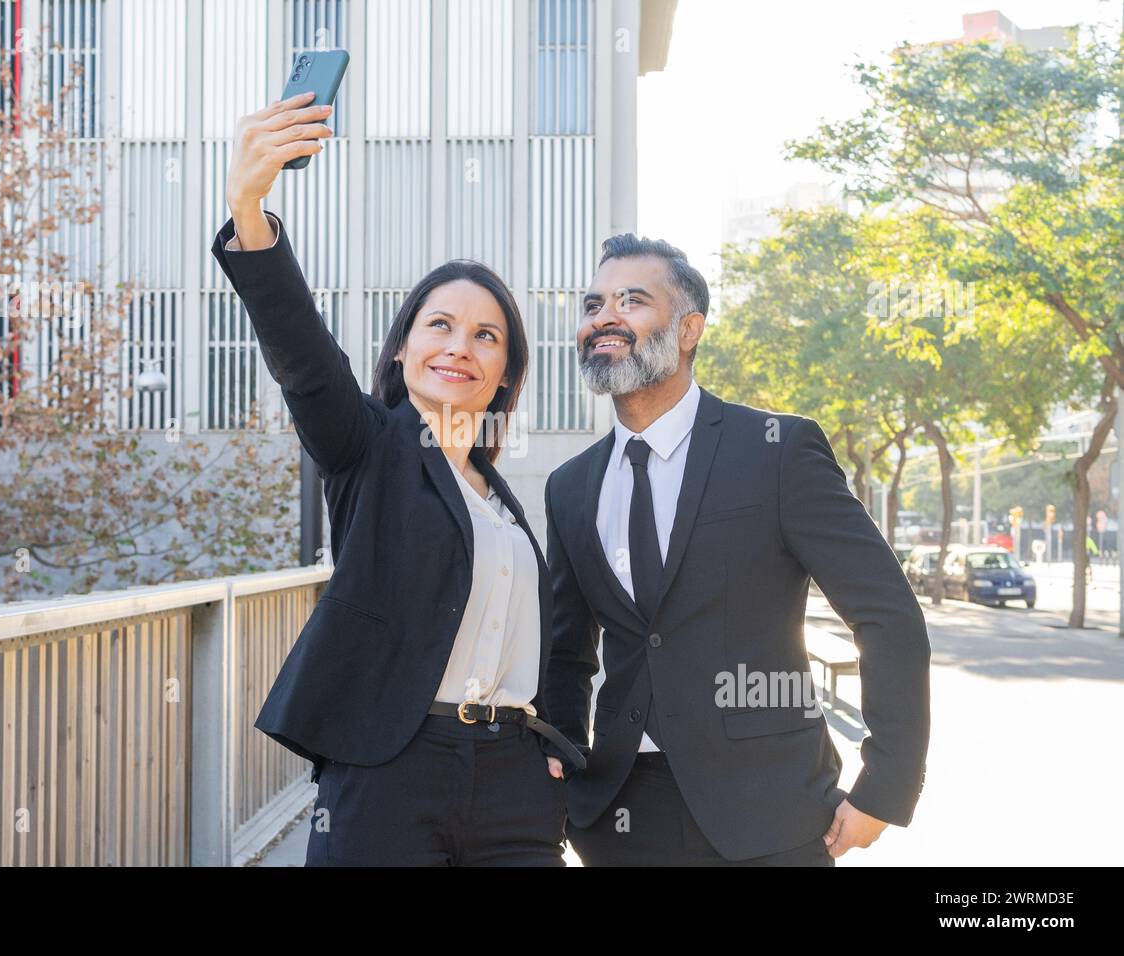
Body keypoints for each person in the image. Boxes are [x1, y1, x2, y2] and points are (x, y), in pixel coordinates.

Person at [211, 91, 585, 866]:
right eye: (440, 325)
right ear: (403, 348)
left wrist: (551, 744)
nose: (461, 346)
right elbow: (302, 354)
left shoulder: (500, 498)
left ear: (505, 372)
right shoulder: (368, 446)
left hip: (514, 782)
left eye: (487, 336)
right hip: (392, 771)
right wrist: (250, 209)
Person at [540, 232, 931, 865]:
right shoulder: (570, 487)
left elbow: (887, 614)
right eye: (593, 305)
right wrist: (560, 758)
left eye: (632, 301)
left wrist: (884, 786)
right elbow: (566, 651)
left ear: (689, 329)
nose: (604, 317)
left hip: (772, 815)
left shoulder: (778, 451)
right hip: (618, 815)